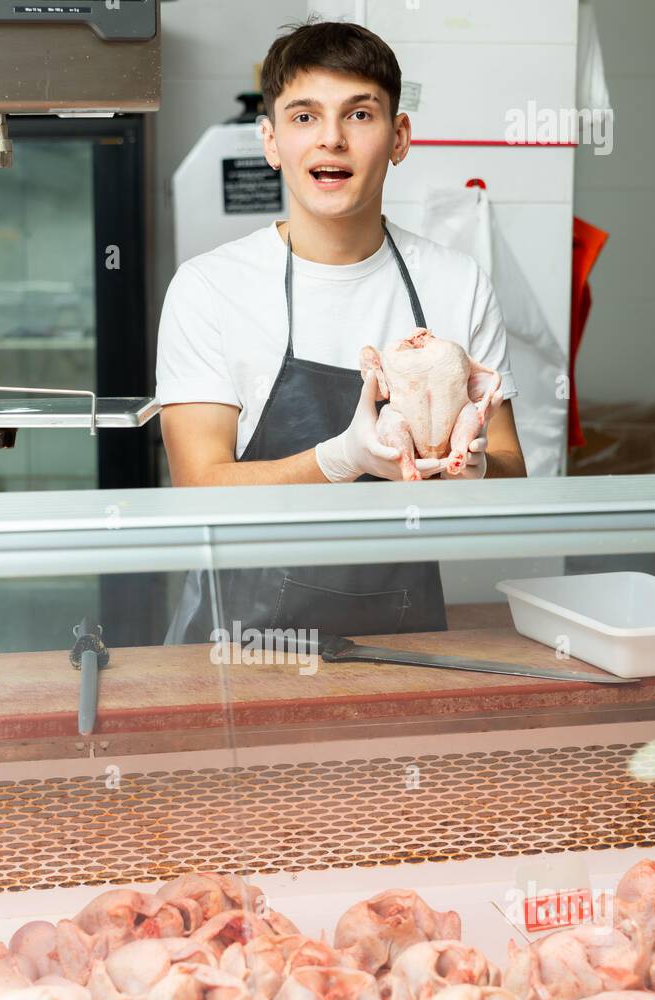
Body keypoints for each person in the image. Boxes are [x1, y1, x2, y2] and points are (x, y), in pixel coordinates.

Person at [156, 18, 526, 645]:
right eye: (303, 118)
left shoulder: (458, 284)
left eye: (359, 115)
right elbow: (199, 489)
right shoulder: (209, 289)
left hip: (406, 646)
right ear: (270, 141)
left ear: (399, 136)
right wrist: (340, 459)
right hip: (238, 650)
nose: (331, 140)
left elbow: (515, 477)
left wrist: (473, 468)